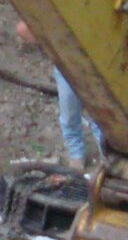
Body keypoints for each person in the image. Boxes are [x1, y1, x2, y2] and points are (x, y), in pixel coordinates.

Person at [14, 19, 100, 166]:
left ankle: (103, 155)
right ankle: (78, 156)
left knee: (99, 114)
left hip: (90, 62)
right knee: (70, 113)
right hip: (67, 63)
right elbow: (23, 28)